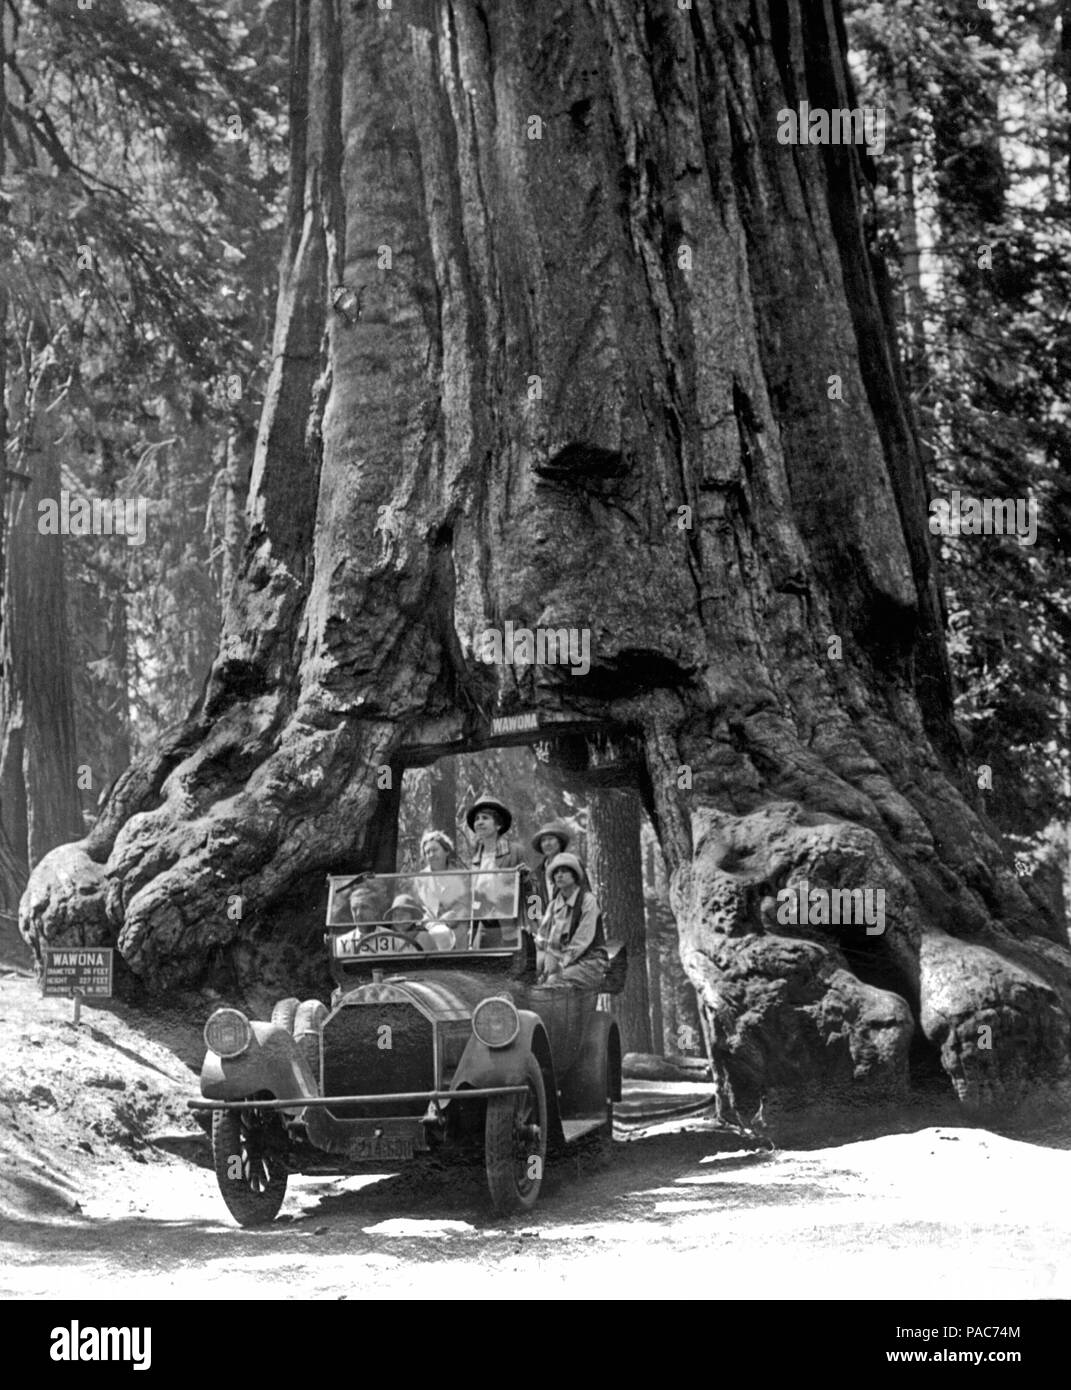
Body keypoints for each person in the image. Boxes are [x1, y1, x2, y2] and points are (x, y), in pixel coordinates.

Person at [465, 794, 534, 947]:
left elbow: (534, 889)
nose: (479, 822)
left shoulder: (516, 851)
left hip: (512, 926)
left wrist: (535, 922)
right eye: (477, 819)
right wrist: (471, 932)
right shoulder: (475, 860)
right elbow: (474, 901)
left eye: (485, 818)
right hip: (485, 928)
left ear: (498, 825)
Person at [534, 852, 608, 989]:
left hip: (589, 962)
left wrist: (557, 967)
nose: (559, 875)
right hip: (558, 963)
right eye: (556, 872)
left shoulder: (588, 901)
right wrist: (540, 966)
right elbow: (542, 939)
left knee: (552, 983)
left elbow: (581, 941)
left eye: (564, 871)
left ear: (575, 875)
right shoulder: (553, 905)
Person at [530, 820, 586, 913]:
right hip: (545, 925)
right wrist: (539, 922)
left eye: (551, 839)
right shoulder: (535, 874)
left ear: (560, 842)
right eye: (543, 840)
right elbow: (533, 909)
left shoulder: (574, 865)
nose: (547, 843)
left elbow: (585, 894)